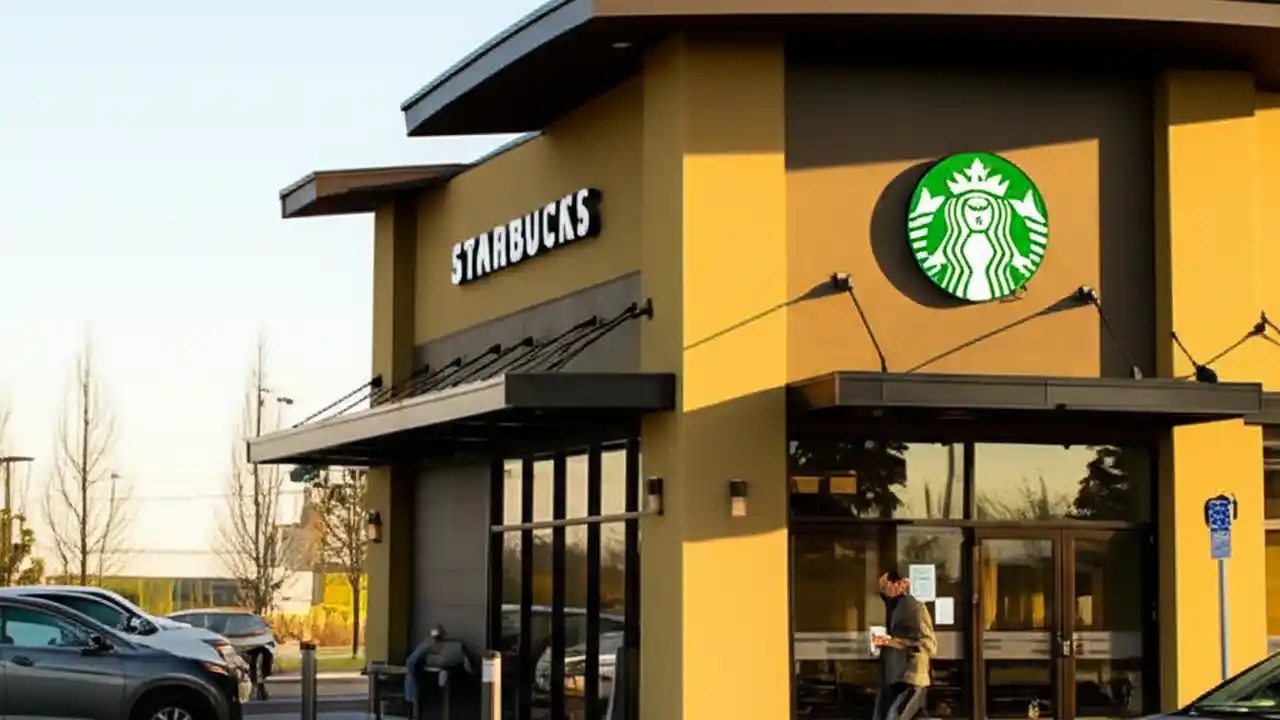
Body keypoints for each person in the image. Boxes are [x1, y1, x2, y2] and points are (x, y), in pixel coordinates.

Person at [871, 569, 937, 720]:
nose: (882, 590)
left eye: (885, 585)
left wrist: (892, 641)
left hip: (910, 676)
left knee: (895, 716)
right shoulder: (885, 607)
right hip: (891, 676)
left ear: (898, 585)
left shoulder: (916, 608)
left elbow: (929, 644)